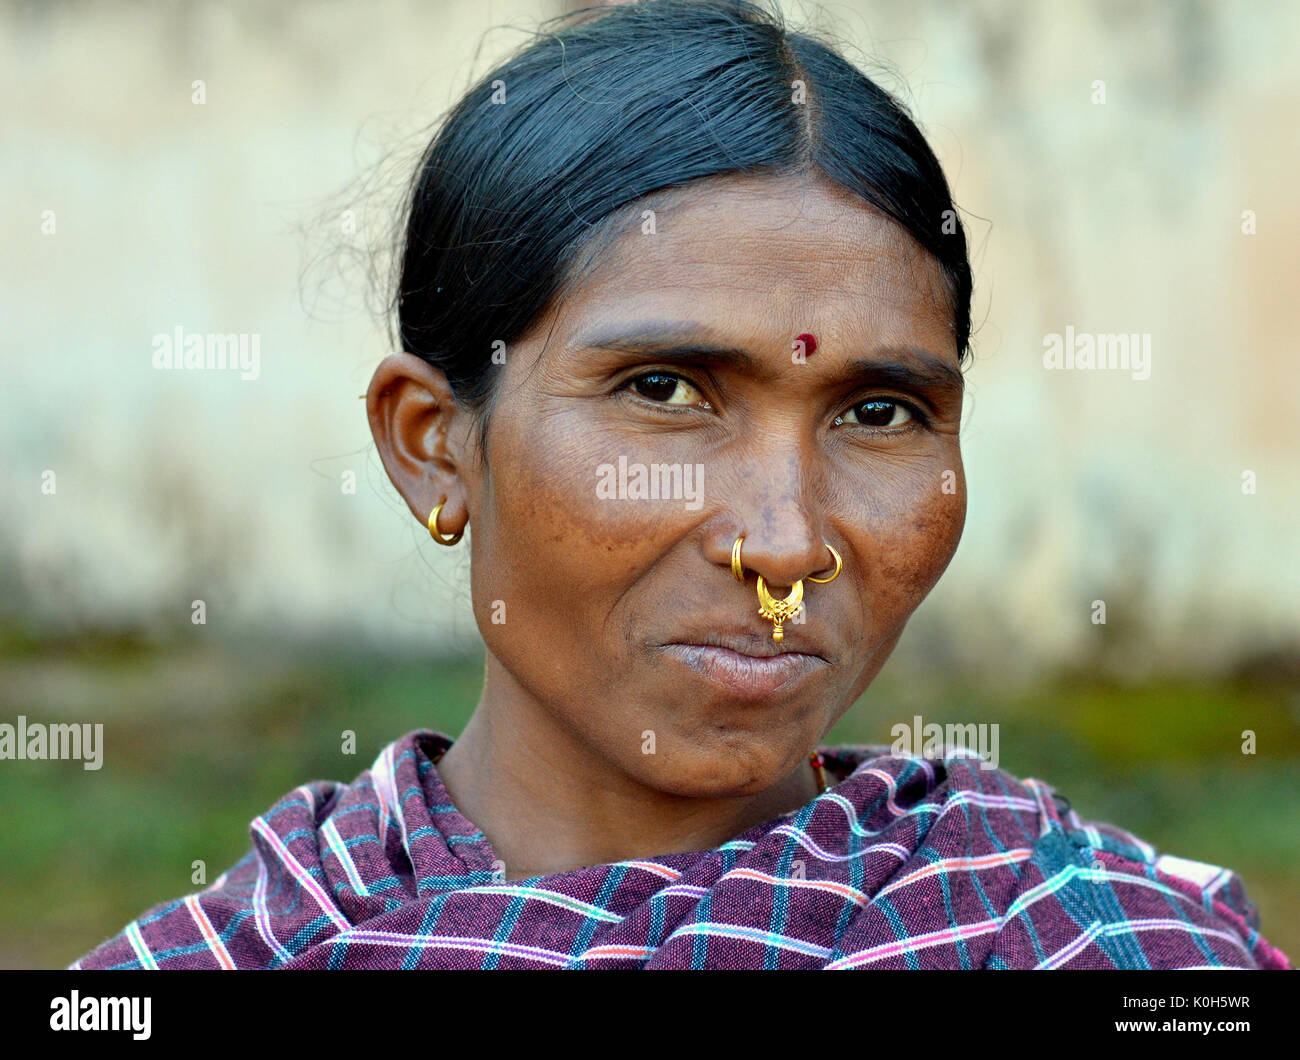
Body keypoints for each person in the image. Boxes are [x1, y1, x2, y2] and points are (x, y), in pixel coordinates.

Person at [74, 0, 1290, 970]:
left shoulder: (1102, 937)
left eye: (879, 412)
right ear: (433, 442)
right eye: (665, 391)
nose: (784, 544)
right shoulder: (228, 959)